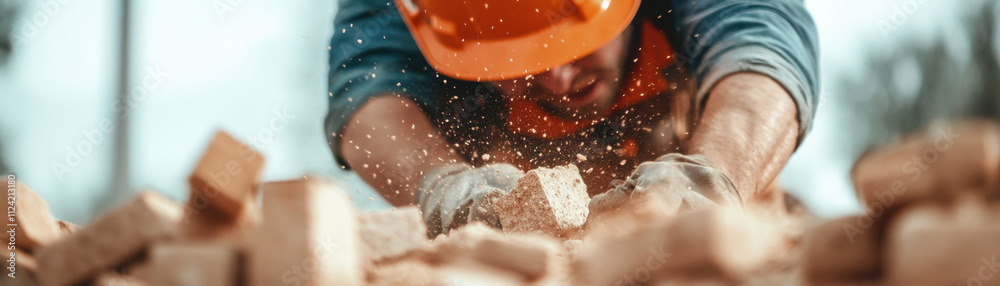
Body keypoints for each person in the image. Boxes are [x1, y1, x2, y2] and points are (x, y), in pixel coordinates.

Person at [326, 0, 819, 236]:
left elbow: (762, 56)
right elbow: (368, 100)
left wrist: (710, 180)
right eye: (518, 63)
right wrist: (446, 192)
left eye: (576, 44)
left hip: (706, 208)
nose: (560, 80)